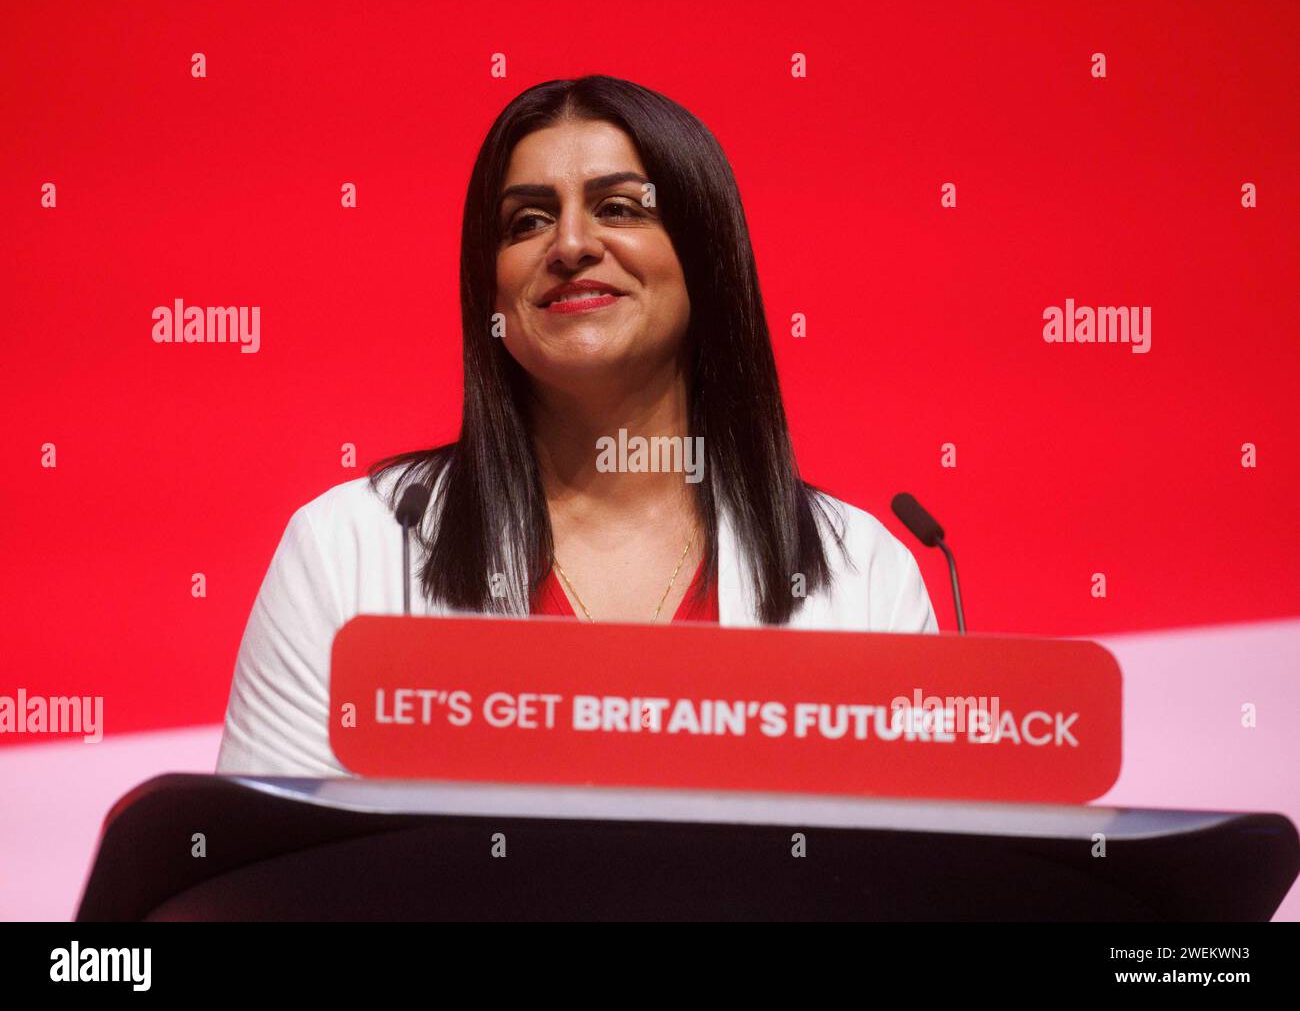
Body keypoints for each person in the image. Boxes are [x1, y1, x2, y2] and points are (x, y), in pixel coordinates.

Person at [216, 74, 937, 777]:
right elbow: (266, 878)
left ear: (706, 256)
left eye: (620, 208)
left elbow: (920, 882)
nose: (569, 245)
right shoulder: (350, 550)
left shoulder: (863, 576)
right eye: (526, 221)